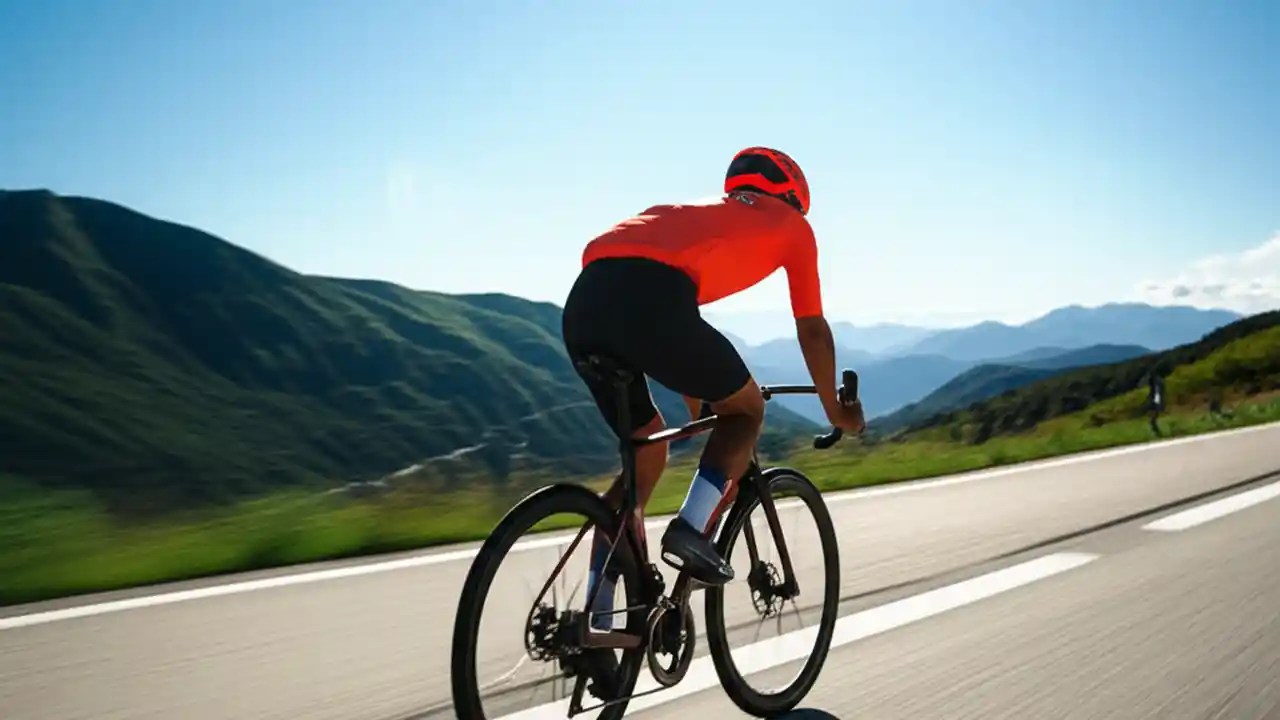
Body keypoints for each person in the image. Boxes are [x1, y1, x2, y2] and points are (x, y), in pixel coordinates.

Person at [560, 146, 865, 634]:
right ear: (793, 194)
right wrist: (836, 410)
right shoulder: (793, 227)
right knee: (744, 411)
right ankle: (689, 531)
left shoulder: (702, 215)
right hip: (654, 300)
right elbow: (811, 327)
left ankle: (597, 622)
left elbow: (668, 326)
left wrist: (700, 401)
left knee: (646, 453)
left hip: (584, 302)